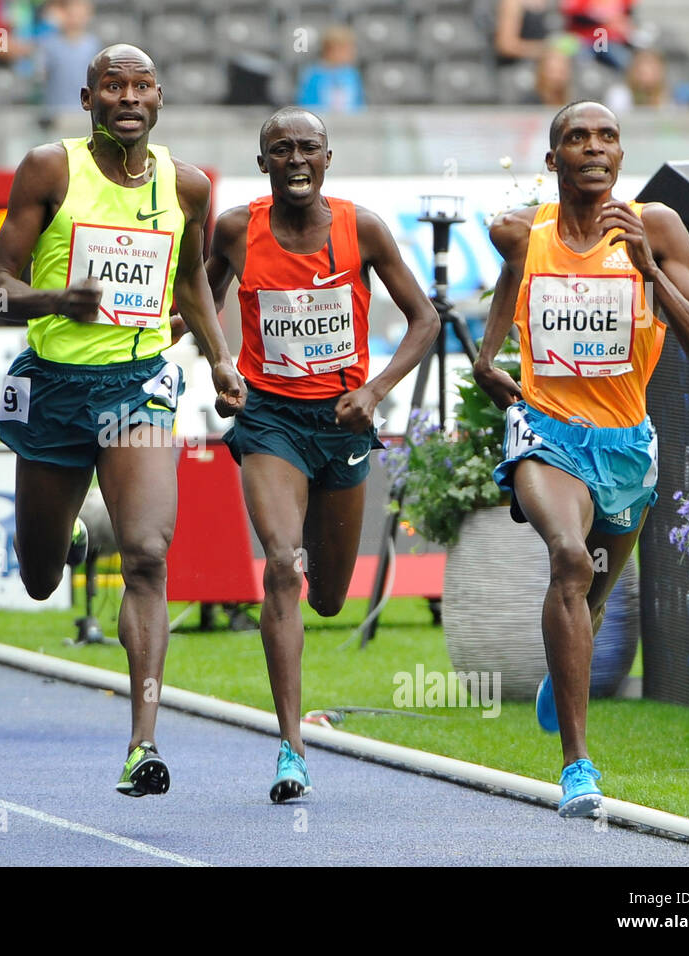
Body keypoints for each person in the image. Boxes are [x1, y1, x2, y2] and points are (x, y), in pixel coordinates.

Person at [0, 44, 246, 797]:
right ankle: (61, 531)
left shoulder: (186, 184)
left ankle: (143, 741)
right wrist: (54, 301)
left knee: (147, 555)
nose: (127, 97)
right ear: (88, 97)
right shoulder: (48, 170)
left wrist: (220, 358)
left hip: (138, 388)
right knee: (38, 578)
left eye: (140, 86)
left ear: (159, 99)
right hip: (54, 388)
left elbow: (192, 278)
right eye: (111, 86)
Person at [476, 100, 689, 817]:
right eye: (575, 138)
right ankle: (578, 766)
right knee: (570, 559)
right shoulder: (525, 233)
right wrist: (491, 361)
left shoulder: (660, 229)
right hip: (548, 432)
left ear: (622, 155)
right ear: (552, 161)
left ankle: (568, 665)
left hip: (626, 445)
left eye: (607, 136)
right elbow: (508, 282)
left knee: (595, 588)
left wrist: (649, 269)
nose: (593, 147)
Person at [206, 107, 439, 802]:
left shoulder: (361, 227)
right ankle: (290, 748)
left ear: (328, 158)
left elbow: (424, 318)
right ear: (264, 164)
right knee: (282, 565)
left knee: (330, 598)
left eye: (308, 147)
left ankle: (317, 550)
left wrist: (376, 388)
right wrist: (221, 362)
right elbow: (196, 293)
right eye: (281, 149)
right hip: (270, 421)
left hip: (343, 422)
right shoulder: (234, 230)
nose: (296, 159)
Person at [294, 26, 364, 115]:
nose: (352, 52)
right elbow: (307, 106)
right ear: (330, 49)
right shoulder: (312, 75)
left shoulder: (352, 74)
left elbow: (359, 106)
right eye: (345, 49)